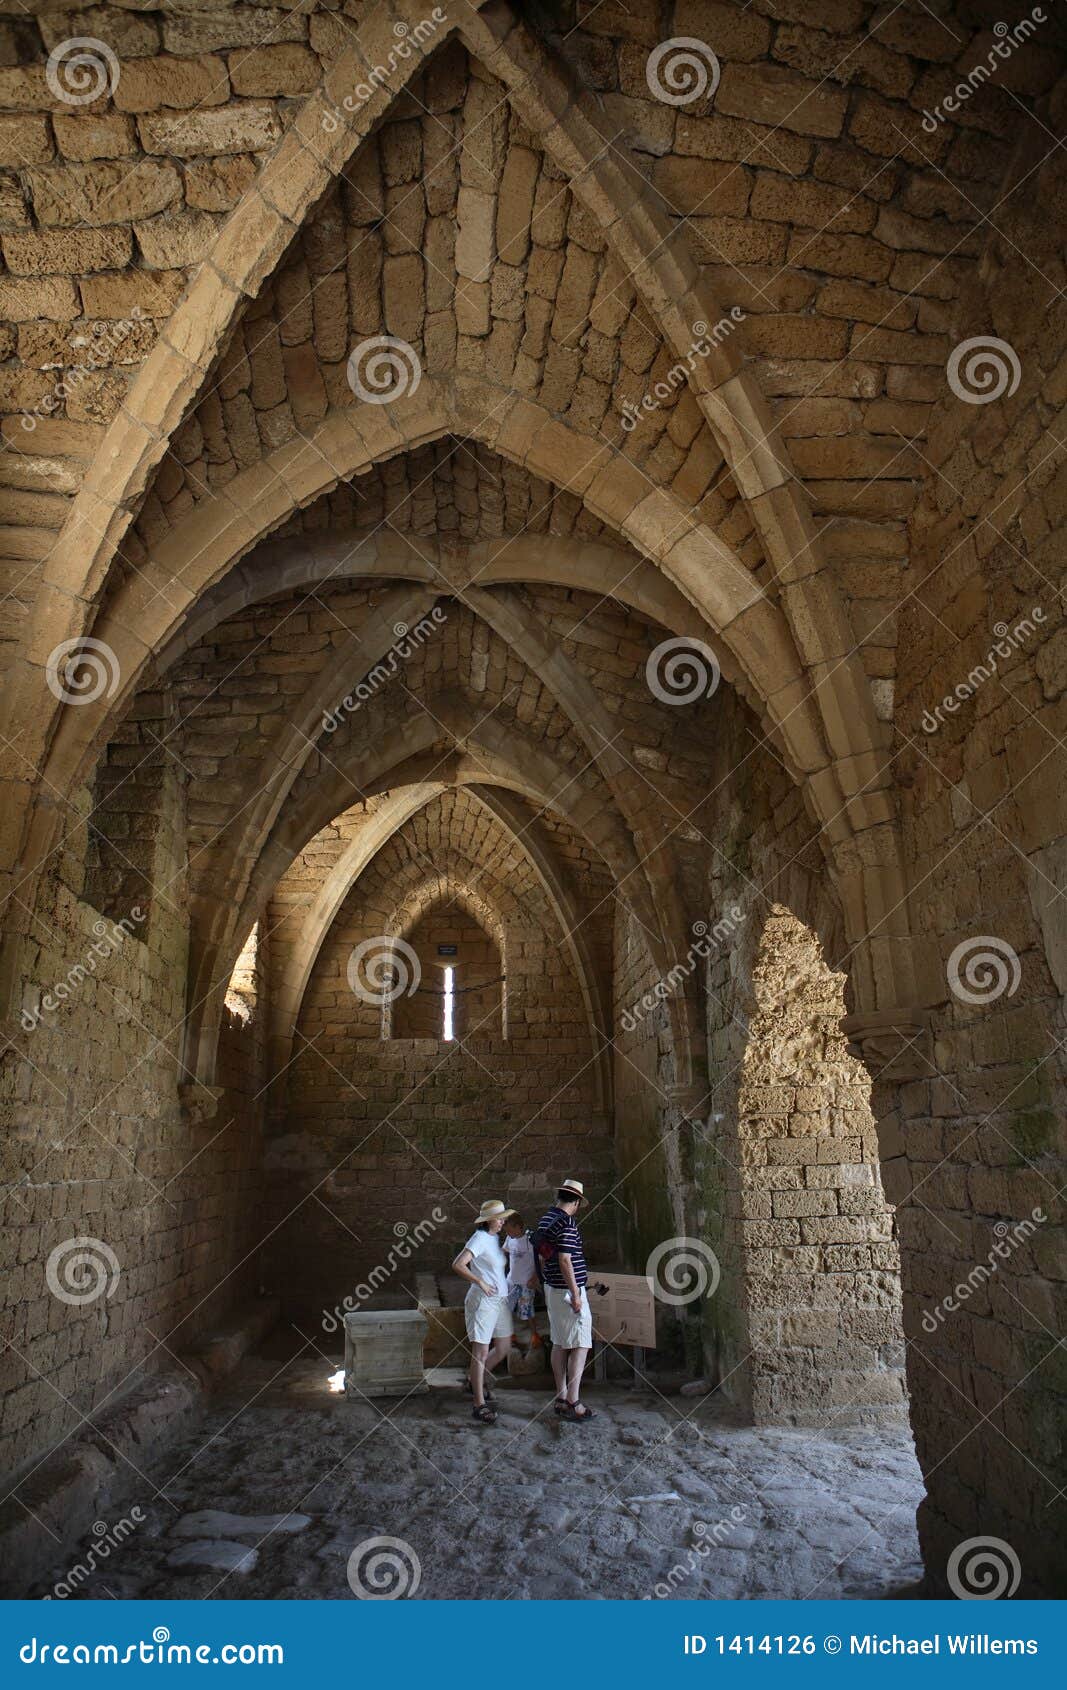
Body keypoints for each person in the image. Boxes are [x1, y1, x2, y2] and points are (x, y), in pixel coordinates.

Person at [535, 1179, 596, 1423]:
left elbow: (542, 1255)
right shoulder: (567, 1223)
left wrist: (545, 1279)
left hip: (552, 1288)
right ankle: (574, 1400)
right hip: (567, 1291)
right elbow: (565, 1260)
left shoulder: (546, 1218)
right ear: (577, 1202)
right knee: (581, 1343)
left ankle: (561, 1397)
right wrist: (577, 1294)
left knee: (560, 1343)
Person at [452, 1199, 515, 1424]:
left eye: (503, 1217)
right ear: (488, 1220)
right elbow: (458, 1264)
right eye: (499, 1218)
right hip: (483, 1301)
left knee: (504, 1347)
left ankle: (473, 1380)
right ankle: (479, 1404)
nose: (503, 1221)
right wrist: (480, 1281)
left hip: (500, 1301)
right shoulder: (479, 1238)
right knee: (479, 1352)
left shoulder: (495, 1237)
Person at [503, 1211, 537, 1324]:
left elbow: (540, 1261)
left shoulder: (530, 1240)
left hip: (526, 1282)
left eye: (509, 1230)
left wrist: (534, 1278)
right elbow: (504, 1251)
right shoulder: (509, 1239)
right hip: (511, 1280)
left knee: (527, 1311)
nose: (507, 1233)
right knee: (506, 1308)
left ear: (517, 1227)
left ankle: (534, 1335)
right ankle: (510, 1334)